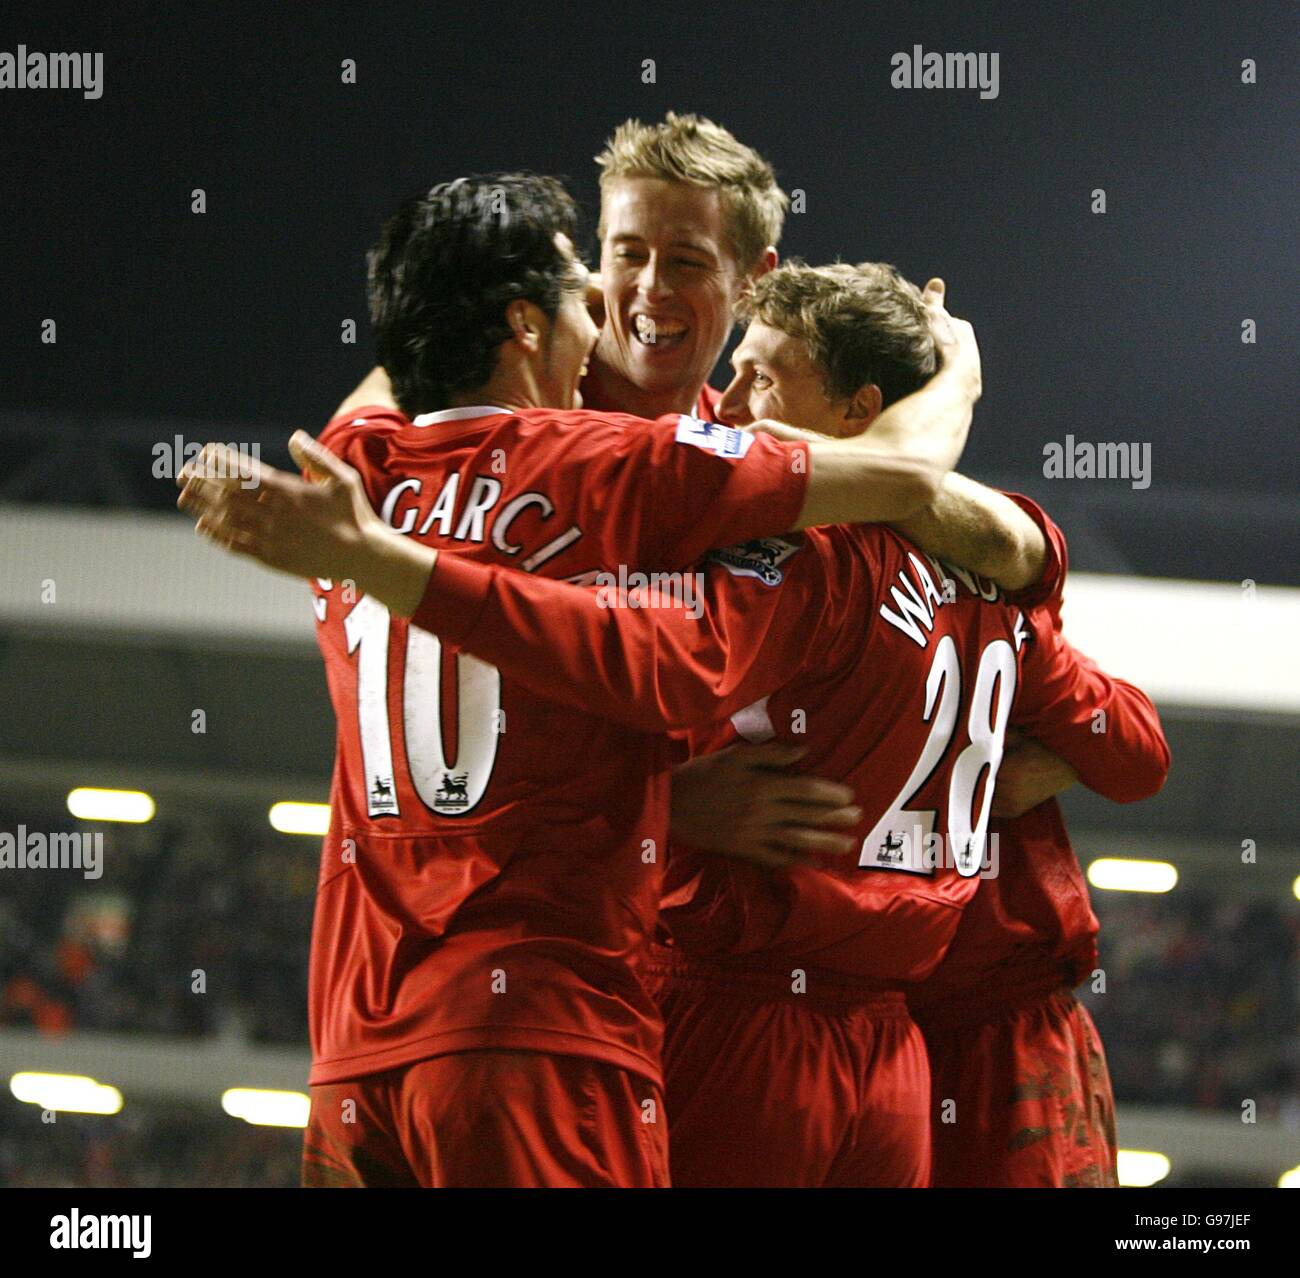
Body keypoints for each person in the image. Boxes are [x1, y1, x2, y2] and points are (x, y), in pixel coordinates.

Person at [181, 262, 1166, 1186]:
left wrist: (653, 794)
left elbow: (652, 668)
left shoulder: (797, 557)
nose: (728, 404)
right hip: (902, 1050)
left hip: (734, 1016)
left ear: (862, 413)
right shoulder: (1003, 581)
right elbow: (1135, 749)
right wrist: (991, 772)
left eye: (760, 379)